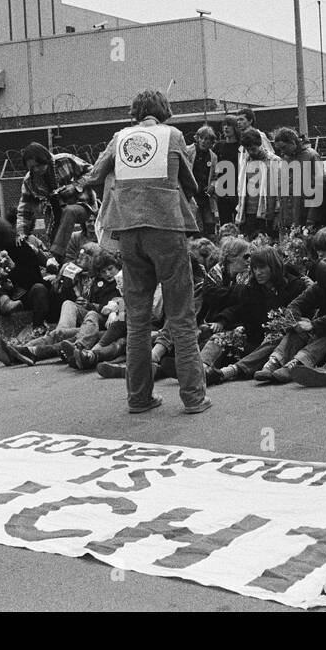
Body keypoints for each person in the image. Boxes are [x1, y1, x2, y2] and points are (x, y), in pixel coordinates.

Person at [71, 88, 211, 414]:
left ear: (136, 112)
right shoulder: (173, 135)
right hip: (167, 230)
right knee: (180, 317)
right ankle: (193, 398)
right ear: (164, 110)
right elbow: (190, 184)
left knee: (136, 320)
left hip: (129, 232)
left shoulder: (119, 137)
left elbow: (92, 176)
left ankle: (139, 398)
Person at [201, 246, 311, 384]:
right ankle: (200, 369)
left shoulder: (295, 286)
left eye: (262, 268)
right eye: (255, 268)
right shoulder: (251, 289)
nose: (258, 273)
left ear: (273, 267)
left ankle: (226, 373)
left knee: (276, 337)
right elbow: (238, 309)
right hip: (255, 337)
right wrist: (223, 321)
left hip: (279, 344)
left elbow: (298, 319)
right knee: (221, 337)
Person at [255, 258, 326, 386]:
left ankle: (298, 364)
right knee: (300, 325)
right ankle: (275, 361)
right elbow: (295, 306)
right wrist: (295, 322)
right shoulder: (320, 288)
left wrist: (313, 325)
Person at [16, 143, 97, 264]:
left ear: (46, 158)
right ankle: (60, 271)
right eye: (32, 168)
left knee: (70, 211)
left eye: (38, 165)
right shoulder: (29, 181)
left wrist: (75, 186)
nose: (36, 170)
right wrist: (21, 232)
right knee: (56, 245)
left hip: (82, 206)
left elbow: (93, 171)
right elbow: (24, 209)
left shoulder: (65, 160)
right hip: (56, 216)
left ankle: (54, 255)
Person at [268, 126, 324, 234]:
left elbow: (319, 188)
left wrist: (312, 218)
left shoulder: (311, 156)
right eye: (280, 149)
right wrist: (280, 215)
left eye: (284, 147)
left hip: (305, 213)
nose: (281, 151)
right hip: (289, 215)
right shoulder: (286, 158)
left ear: (293, 142)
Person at [236, 129, 278, 238]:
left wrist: (278, 212)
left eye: (253, 149)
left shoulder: (274, 161)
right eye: (248, 150)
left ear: (260, 144)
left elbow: (280, 189)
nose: (251, 152)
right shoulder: (244, 161)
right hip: (248, 212)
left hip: (268, 212)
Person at [186, 124, 220, 238]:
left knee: (210, 224)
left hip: (206, 195)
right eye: (203, 138)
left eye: (209, 140)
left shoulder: (213, 156)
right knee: (195, 224)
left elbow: (215, 176)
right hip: (192, 194)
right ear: (198, 138)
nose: (205, 142)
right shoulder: (188, 151)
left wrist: (212, 186)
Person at [212, 117, 242, 227]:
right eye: (224, 125)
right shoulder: (219, 146)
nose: (226, 127)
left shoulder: (241, 146)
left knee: (239, 220)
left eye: (229, 125)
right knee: (225, 222)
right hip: (222, 189)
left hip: (237, 188)